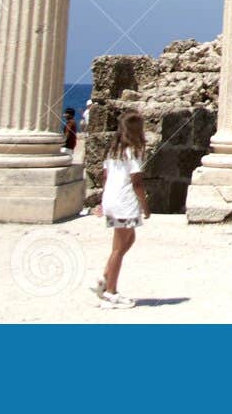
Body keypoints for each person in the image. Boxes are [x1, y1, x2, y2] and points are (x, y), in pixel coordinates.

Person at [93, 109, 149, 310]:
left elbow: (106, 177)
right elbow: (137, 183)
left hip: (112, 200)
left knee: (129, 238)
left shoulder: (112, 151)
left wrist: (103, 201)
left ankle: (105, 277)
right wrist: (146, 206)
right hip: (124, 203)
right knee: (118, 249)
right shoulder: (133, 152)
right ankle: (110, 293)